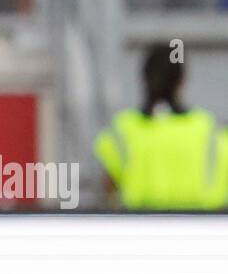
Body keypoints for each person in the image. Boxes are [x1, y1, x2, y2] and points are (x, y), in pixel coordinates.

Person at [94, 44, 228, 210]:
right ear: (181, 83)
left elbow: (108, 194)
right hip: (206, 231)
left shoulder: (122, 131)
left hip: (138, 230)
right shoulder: (211, 131)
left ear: (143, 79)